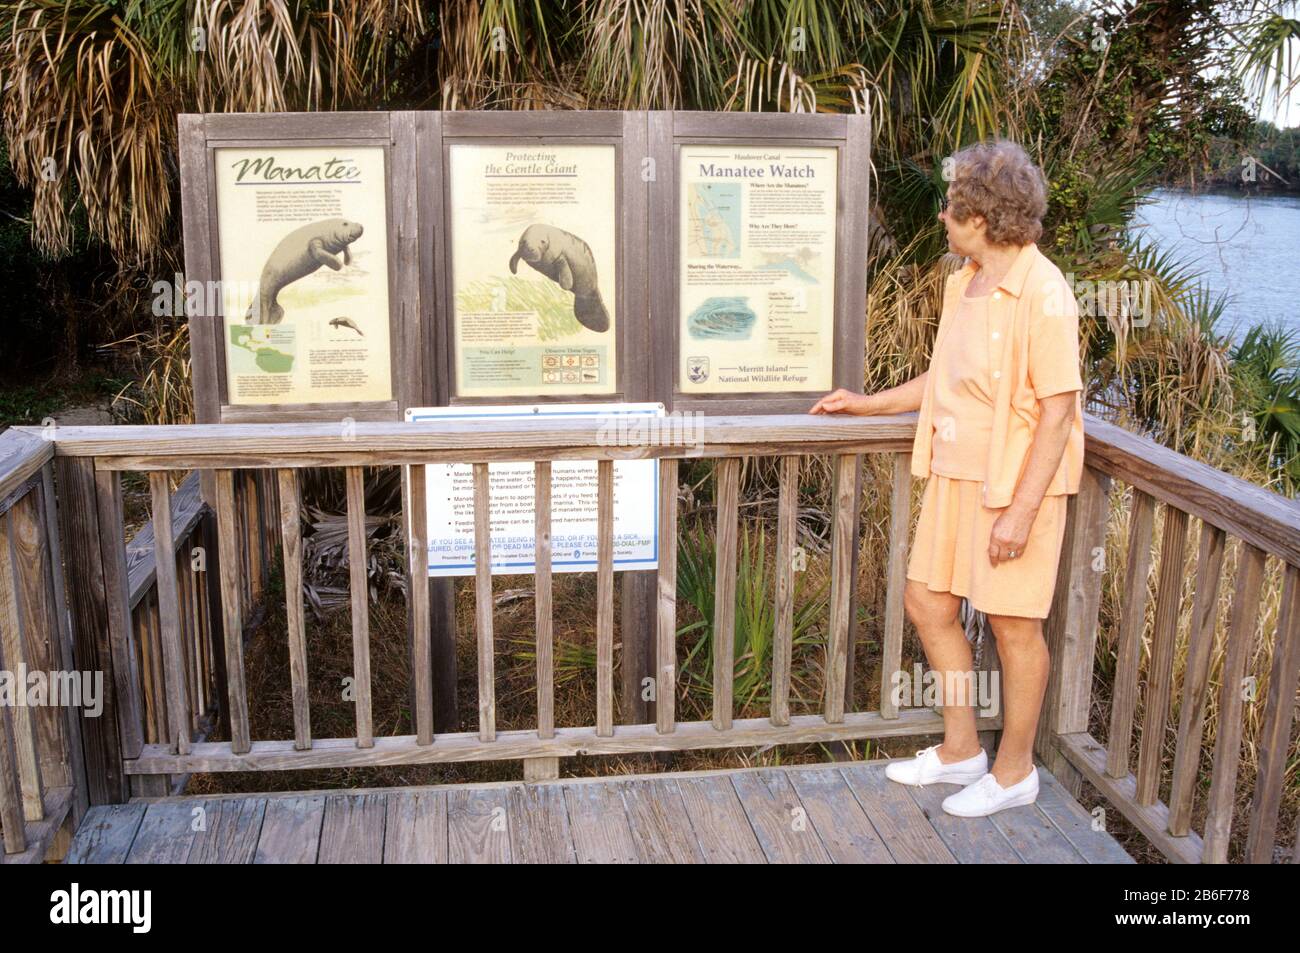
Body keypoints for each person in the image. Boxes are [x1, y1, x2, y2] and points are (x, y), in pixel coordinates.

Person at [809, 139, 1085, 817]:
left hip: (1015, 485)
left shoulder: (1043, 289)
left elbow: (1058, 410)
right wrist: (866, 402)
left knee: (1015, 625)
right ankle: (963, 749)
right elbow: (947, 377)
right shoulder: (966, 281)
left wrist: (1020, 512)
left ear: (984, 218)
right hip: (956, 477)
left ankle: (1016, 770)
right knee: (927, 603)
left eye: (953, 207)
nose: (942, 217)